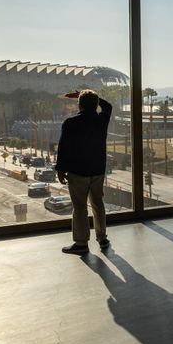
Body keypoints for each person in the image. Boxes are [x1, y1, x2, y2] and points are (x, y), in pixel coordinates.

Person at [56, 89, 112, 255]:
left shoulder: (70, 123)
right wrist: (89, 96)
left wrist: (60, 168)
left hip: (78, 171)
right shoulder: (102, 120)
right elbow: (108, 106)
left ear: (79, 105)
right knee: (98, 204)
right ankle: (102, 238)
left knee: (80, 207)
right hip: (98, 170)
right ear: (96, 105)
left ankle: (81, 243)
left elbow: (63, 148)